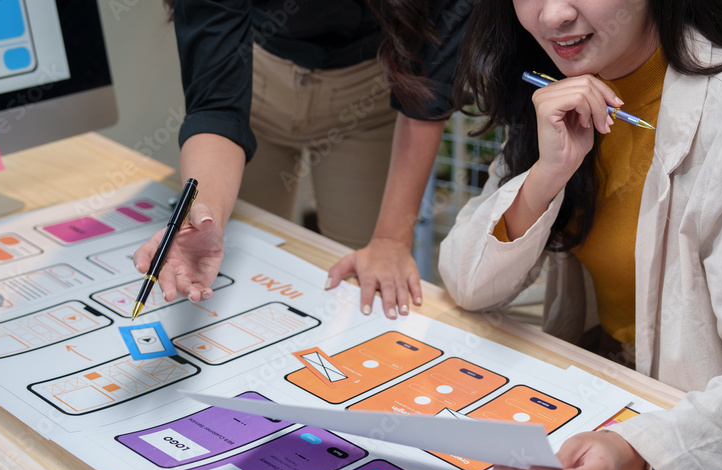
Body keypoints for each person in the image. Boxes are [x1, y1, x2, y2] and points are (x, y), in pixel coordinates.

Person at [439, 0, 722, 470]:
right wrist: (547, 175)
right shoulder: (552, 85)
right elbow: (468, 284)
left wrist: (637, 451)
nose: (553, 15)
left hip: (694, 422)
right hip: (603, 386)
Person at [134, 0, 471, 319]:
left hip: (368, 93)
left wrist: (391, 241)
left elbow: (428, 86)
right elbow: (216, 106)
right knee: (240, 263)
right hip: (251, 80)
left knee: (364, 283)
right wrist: (204, 213)